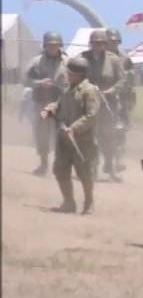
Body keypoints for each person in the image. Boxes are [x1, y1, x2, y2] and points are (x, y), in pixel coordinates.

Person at [41, 56, 99, 214]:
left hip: (82, 141)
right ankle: (69, 202)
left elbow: (92, 116)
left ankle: (89, 202)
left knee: (85, 173)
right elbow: (58, 104)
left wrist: (73, 128)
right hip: (63, 139)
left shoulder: (89, 90)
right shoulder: (68, 88)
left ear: (80, 74)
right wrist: (49, 110)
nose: (68, 74)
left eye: (71, 72)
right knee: (60, 170)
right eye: (69, 71)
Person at [81, 29, 126, 183]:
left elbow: (121, 81)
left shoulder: (113, 60)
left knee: (109, 136)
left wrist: (110, 91)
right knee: (91, 136)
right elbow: (75, 77)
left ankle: (110, 166)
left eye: (101, 43)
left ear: (105, 45)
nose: (97, 46)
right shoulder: (83, 58)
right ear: (90, 44)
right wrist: (89, 90)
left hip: (109, 104)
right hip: (89, 103)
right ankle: (92, 168)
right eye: (94, 43)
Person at [24, 31, 68, 176]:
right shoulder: (37, 62)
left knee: (62, 134)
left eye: (55, 45)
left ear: (60, 45)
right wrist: (39, 83)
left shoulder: (67, 61)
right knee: (43, 133)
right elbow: (26, 80)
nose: (53, 47)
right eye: (50, 45)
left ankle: (61, 165)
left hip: (62, 103)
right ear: (45, 45)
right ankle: (44, 163)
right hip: (44, 103)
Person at [105, 28, 135, 174]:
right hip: (103, 97)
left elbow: (130, 80)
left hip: (121, 99)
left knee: (120, 130)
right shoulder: (100, 56)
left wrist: (129, 102)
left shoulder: (125, 58)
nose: (112, 43)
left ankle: (118, 160)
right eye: (110, 41)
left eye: (115, 41)